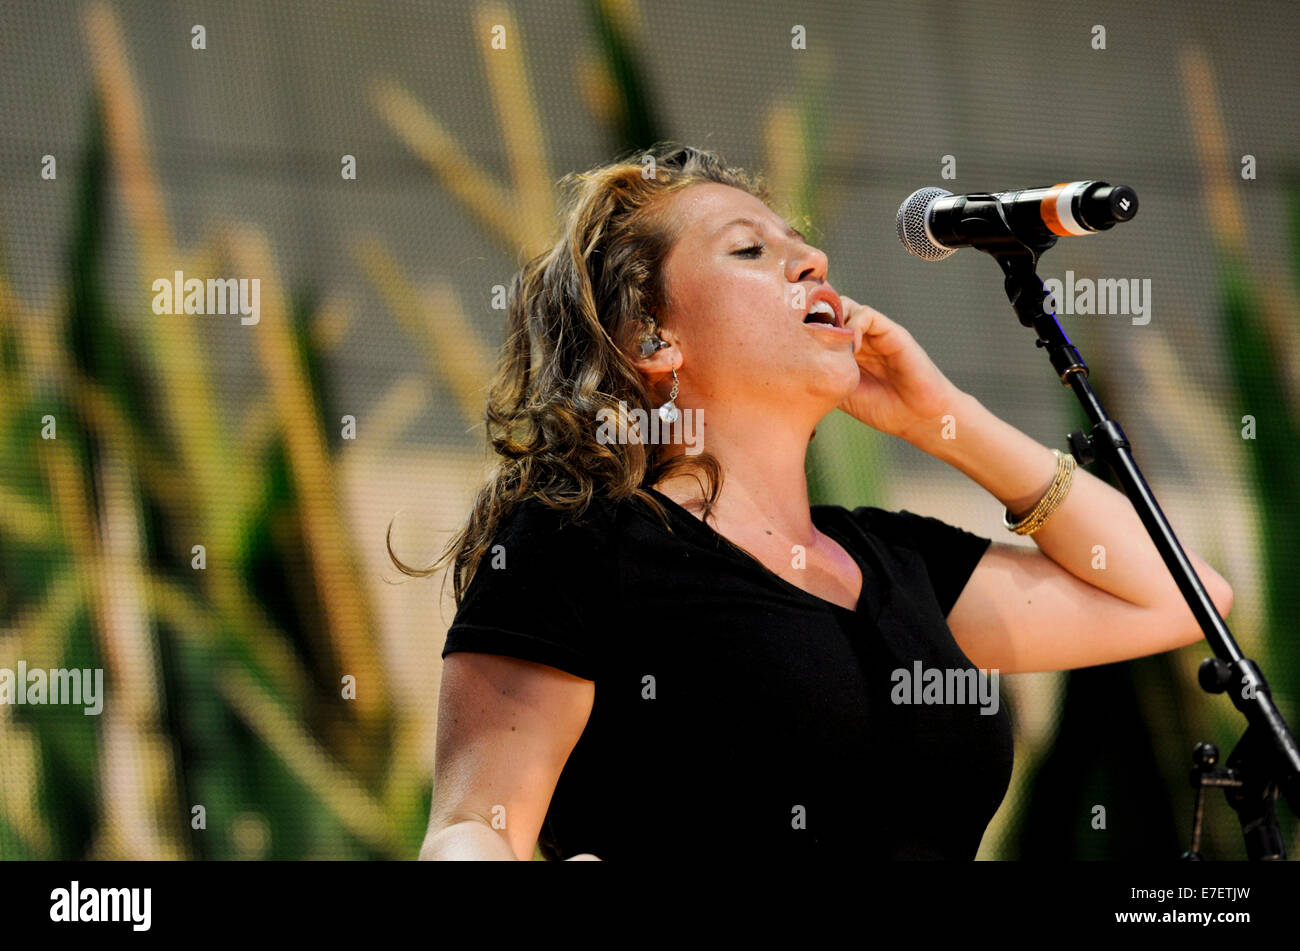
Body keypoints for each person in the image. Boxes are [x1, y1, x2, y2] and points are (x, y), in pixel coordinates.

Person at [401, 143, 1233, 861]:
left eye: (803, 245)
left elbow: (1184, 595)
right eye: (750, 251)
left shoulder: (897, 563)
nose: (811, 262)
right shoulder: (584, 542)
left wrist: (948, 421)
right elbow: (475, 824)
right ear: (655, 338)